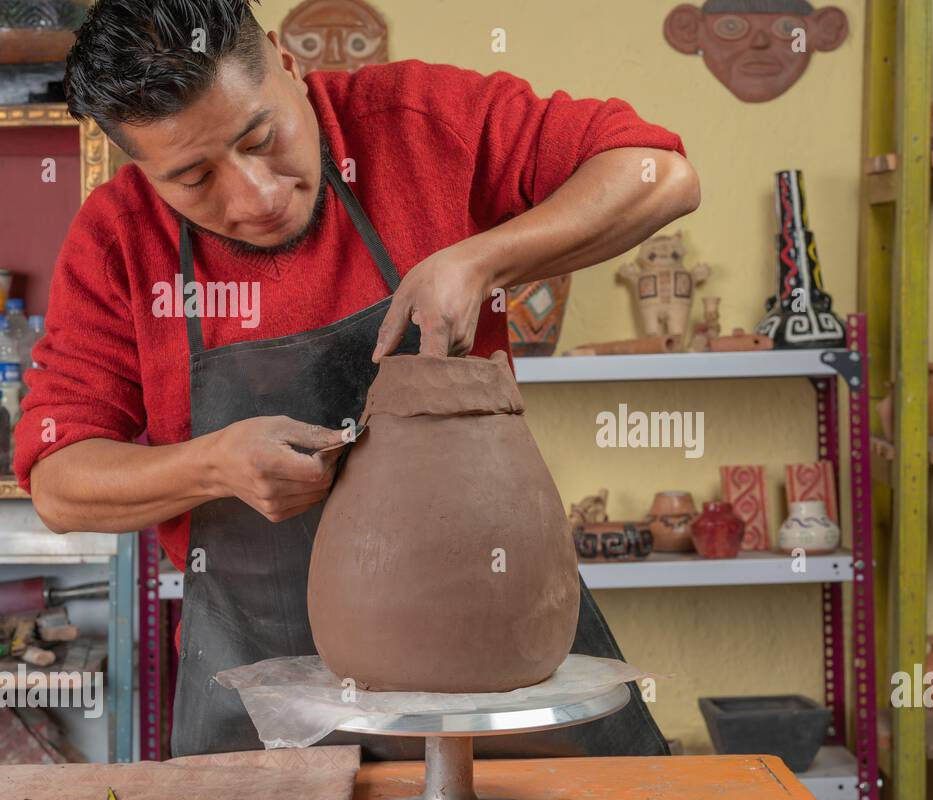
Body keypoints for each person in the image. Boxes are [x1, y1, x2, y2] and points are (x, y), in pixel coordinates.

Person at [16, 0, 700, 757]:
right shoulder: (117, 239)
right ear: (137, 167)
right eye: (194, 177)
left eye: (260, 137)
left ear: (285, 60)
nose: (257, 197)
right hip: (266, 698)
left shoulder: (416, 122)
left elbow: (658, 172)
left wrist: (482, 258)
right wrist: (212, 464)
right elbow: (57, 479)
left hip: (496, 664)